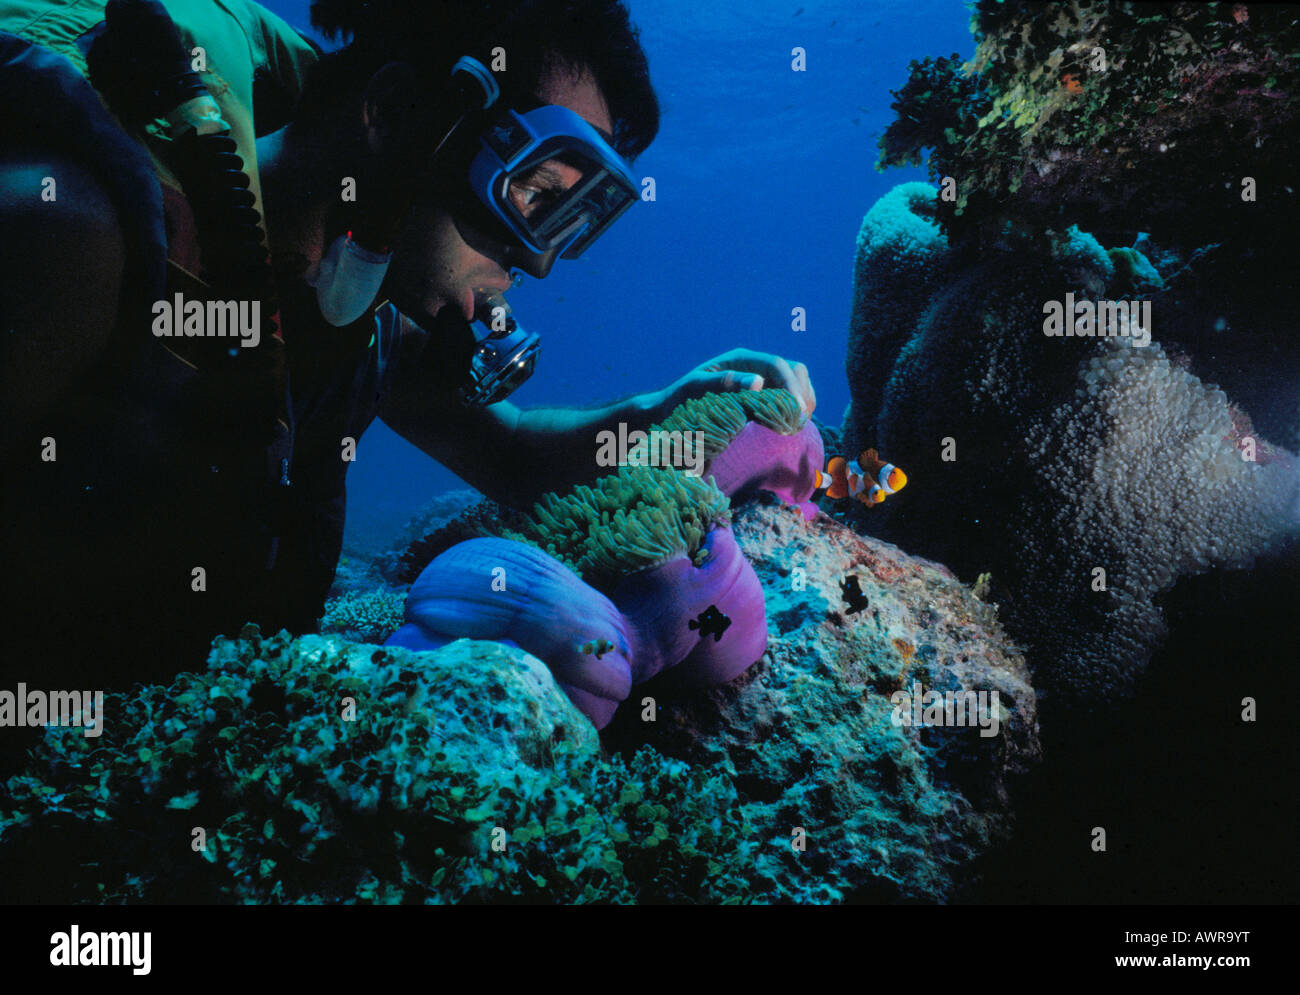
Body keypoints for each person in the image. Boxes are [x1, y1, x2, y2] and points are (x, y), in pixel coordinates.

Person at [0, 0, 816, 699]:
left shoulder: (366, 300)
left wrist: (665, 410)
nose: (537, 259)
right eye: (534, 194)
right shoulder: (73, 236)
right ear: (392, 113)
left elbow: (510, 448)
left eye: (574, 221)